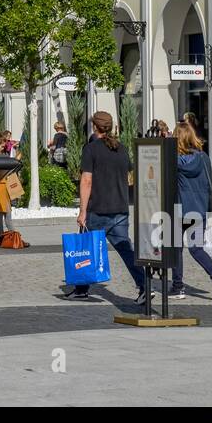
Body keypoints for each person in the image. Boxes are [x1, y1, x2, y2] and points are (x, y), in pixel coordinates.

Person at [65, 111, 149, 304]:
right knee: (126, 249)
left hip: (98, 209)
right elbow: (128, 174)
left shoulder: (91, 149)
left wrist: (82, 211)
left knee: (88, 248)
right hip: (120, 208)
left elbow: (86, 180)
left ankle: (81, 289)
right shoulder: (121, 148)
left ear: (95, 127)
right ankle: (144, 285)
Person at [171, 122, 212, 301]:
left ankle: (178, 286)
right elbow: (208, 181)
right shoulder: (204, 158)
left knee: (175, 247)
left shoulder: (175, 160)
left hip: (181, 209)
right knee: (196, 249)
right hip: (200, 209)